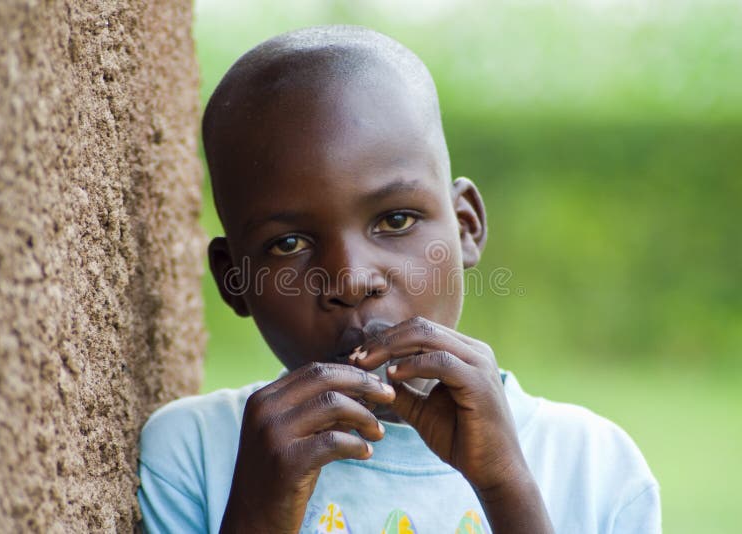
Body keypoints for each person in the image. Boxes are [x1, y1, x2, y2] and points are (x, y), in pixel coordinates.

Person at [137, 25, 661, 534]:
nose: (350, 279)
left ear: (465, 227)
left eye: (395, 220)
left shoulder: (595, 468)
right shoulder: (194, 455)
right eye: (289, 243)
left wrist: (505, 485)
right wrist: (258, 513)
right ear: (235, 280)